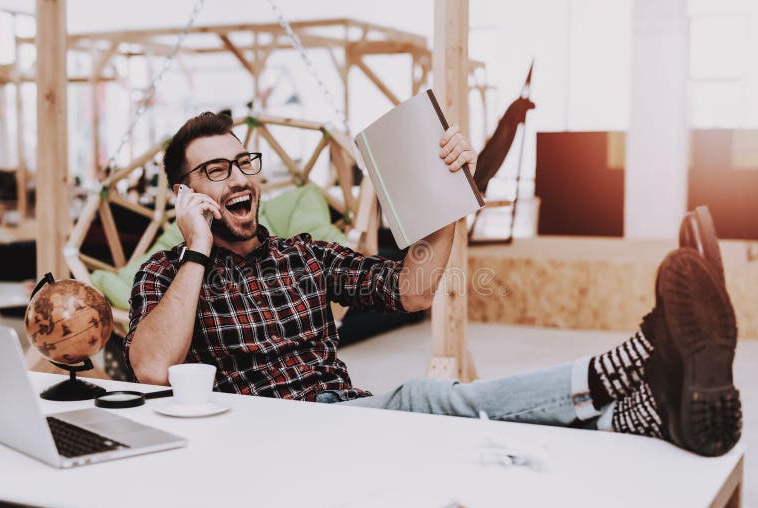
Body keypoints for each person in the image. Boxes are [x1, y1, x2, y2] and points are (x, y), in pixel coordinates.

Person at [124, 112, 741, 457]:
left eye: (245, 162)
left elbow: (412, 289)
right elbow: (152, 367)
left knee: (458, 428)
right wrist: (197, 250)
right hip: (271, 440)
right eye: (215, 169)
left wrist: (453, 192)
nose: (238, 177)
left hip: (344, 419)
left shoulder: (301, 256)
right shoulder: (168, 273)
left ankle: (639, 415)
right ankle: (631, 361)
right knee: (430, 398)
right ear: (186, 193)